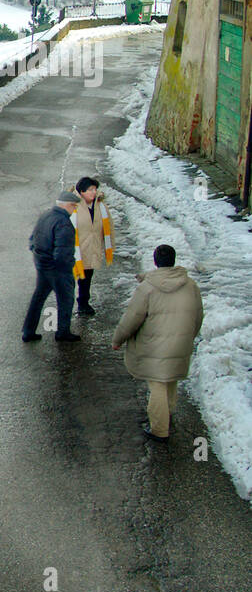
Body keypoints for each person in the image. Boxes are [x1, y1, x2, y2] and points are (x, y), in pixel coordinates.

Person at [110, 245, 203, 443]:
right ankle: (167, 414)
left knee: (158, 384)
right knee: (170, 378)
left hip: (154, 347)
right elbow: (198, 316)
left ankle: (159, 430)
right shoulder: (191, 285)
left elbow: (132, 319)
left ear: (155, 261)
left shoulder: (147, 288)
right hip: (181, 342)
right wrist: (188, 336)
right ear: (173, 260)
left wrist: (118, 340)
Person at [21, 192, 81, 343]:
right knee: (65, 300)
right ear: (68, 205)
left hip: (42, 264)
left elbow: (32, 239)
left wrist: (39, 257)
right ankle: (63, 332)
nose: (74, 210)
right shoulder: (64, 223)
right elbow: (63, 252)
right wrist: (67, 269)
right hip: (57, 269)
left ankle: (28, 331)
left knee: (38, 298)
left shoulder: (45, 216)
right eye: (74, 207)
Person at [72, 176, 113, 315]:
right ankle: (66, 305)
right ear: (81, 191)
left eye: (95, 189)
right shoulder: (73, 206)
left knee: (86, 278)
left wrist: (109, 247)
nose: (93, 192)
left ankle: (83, 303)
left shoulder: (101, 206)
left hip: (91, 249)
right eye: (90, 190)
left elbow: (109, 228)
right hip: (76, 250)